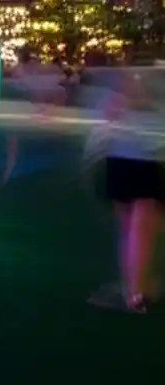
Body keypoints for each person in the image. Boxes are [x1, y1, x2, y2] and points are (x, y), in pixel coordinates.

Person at [84, 72, 164, 314]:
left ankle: (136, 287)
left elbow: (108, 117)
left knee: (133, 227)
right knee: (141, 229)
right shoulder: (150, 81)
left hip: (124, 157)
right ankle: (136, 292)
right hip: (146, 160)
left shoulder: (123, 83)